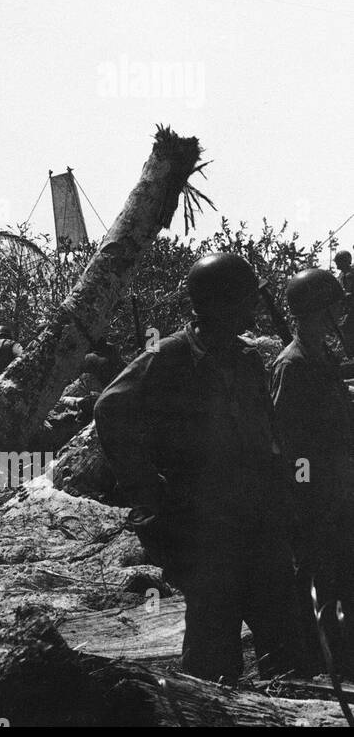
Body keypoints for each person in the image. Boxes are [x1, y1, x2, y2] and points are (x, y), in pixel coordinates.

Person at [94, 252, 299, 683]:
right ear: (220, 303)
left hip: (254, 516)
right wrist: (147, 489)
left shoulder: (245, 359)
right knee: (213, 637)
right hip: (201, 521)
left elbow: (266, 435)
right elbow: (110, 408)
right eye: (245, 298)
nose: (253, 308)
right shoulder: (167, 355)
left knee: (281, 631)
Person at [272, 268, 354, 673]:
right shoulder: (294, 365)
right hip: (318, 500)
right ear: (315, 312)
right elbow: (292, 448)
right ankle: (318, 669)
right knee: (319, 585)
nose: (338, 316)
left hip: (339, 493)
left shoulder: (321, 358)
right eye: (331, 308)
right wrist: (308, 499)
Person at [335, 250, 354, 353]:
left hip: (351, 307)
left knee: (346, 326)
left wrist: (342, 295)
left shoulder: (350, 274)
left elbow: (349, 292)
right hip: (347, 307)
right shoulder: (342, 274)